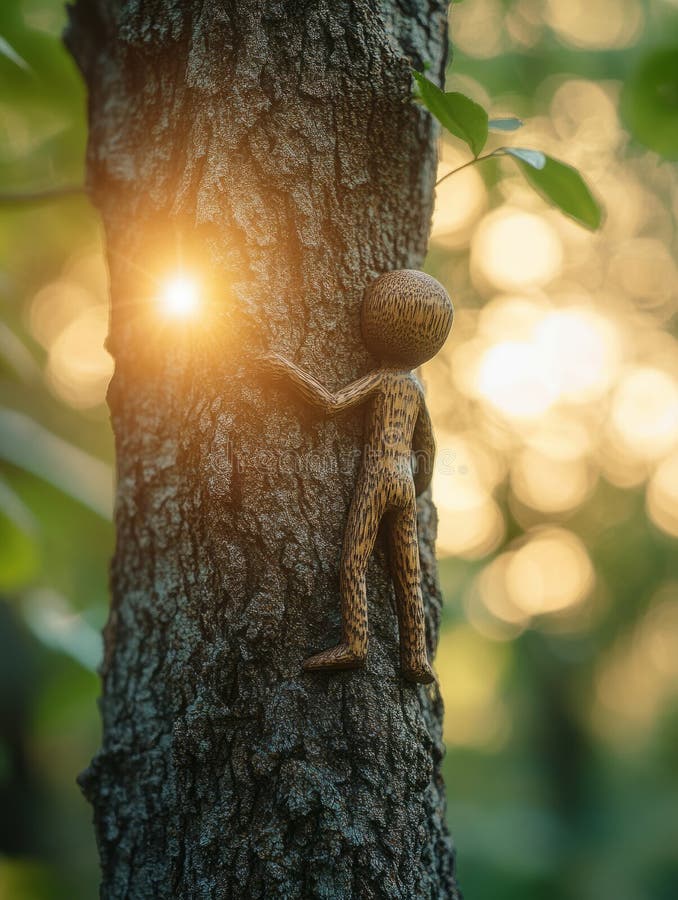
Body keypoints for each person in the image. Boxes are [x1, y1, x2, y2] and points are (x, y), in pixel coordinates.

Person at [265, 270, 453, 683]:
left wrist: (288, 373)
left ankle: (356, 642)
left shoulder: (384, 380)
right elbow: (431, 447)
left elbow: (332, 404)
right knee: (408, 573)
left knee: (355, 560)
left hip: (377, 477)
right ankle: (416, 656)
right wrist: (417, 488)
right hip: (404, 480)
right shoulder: (415, 389)